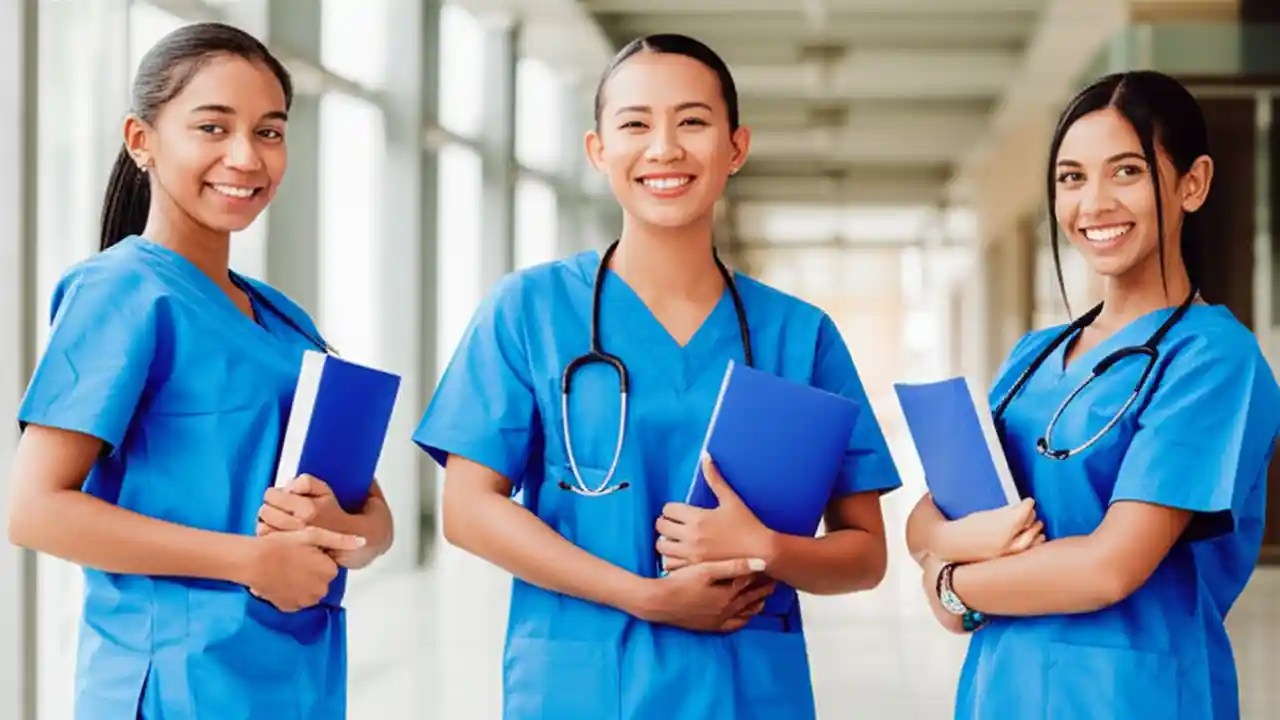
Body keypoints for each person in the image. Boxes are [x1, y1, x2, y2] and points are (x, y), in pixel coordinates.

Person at [413, 33, 901, 720]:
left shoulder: (800, 334)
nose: (665, 148)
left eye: (693, 122)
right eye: (636, 124)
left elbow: (865, 555)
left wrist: (766, 548)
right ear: (598, 150)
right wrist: (643, 596)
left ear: (736, 147)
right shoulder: (529, 310)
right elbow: (468, 511)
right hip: (582, 689)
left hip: (747, 689)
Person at [5, 23, 392, 719]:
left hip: (293, 680)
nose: (246, 156)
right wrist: (251, 560)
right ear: (141, 140)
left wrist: (344, 528)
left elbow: (372, 519)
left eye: (269, 132)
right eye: (213, 127)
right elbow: (35, 511)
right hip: (178, 683)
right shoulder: (121, 290)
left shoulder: (282, 318)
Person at [906, 70, 1280, 720]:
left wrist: (949, 579)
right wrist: (952, 544)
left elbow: (1109, 568)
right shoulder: (1033, 357)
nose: (1094, 202)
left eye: (1126, 171)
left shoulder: (1213, 358)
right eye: (1072, 177)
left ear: (1193, 184)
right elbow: (923, 518)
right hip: (1001, 694)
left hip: (1134, 698)